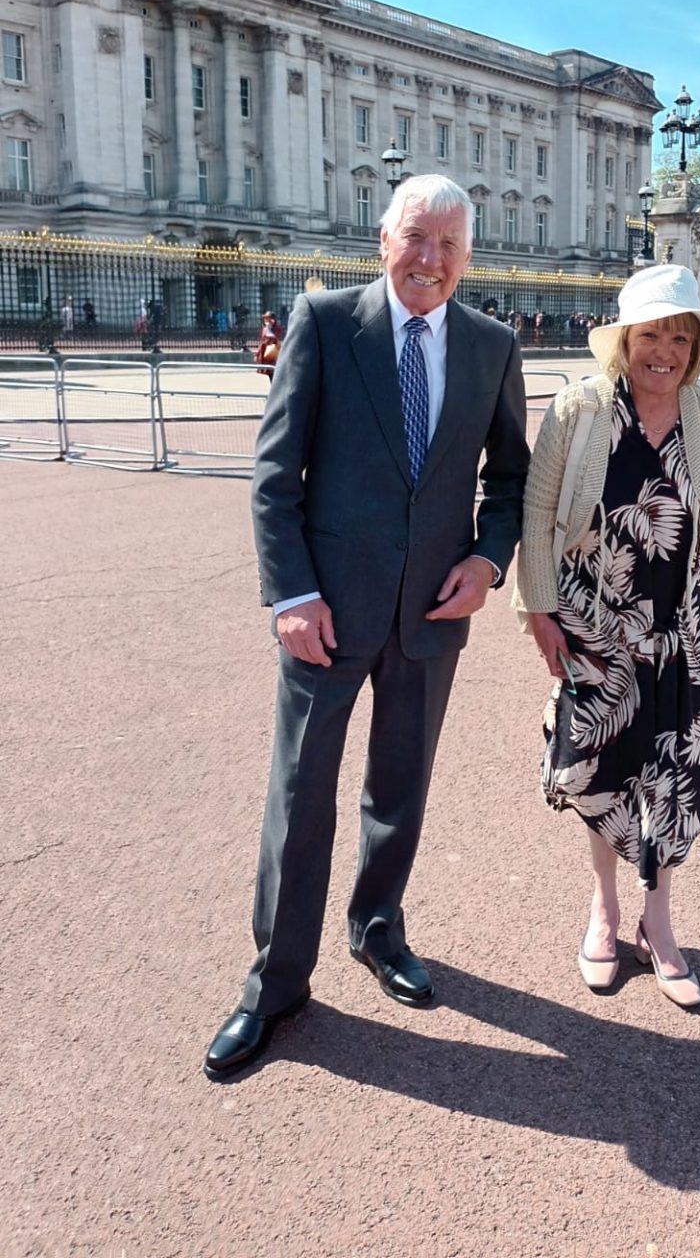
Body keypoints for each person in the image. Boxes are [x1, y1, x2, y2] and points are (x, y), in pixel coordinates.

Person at [203, 175, 530, 1081]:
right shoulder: (322, 320)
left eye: (449, 246)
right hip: (327, 613)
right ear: (382, 237)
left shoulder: (493, 345)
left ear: (469, 256)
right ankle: (275, 984)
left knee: (401, 786)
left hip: (430, 614)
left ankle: (378, 928)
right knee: (301, 795)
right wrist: (291, 595)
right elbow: (276, 479)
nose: (430, 260)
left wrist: (488, 559)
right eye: (416, 238)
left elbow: (510, 479)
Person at [514, 265, 700, 1010]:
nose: (664, 351)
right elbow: (539, 514)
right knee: (599, 771)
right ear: (625, 341)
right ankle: (605, 910)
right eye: (651, 335)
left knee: (670, 774)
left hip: (675, 628)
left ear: (696, 347)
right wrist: (538, 608)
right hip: (592, 626)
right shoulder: (580, 409)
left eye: (680, 337)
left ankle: (660, 922)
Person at [254, 310, 284, 383]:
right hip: (265, 351)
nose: (266, 320)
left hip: (274, 351)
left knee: (274, 372)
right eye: (265, 318)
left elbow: (277, 338)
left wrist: (270, 329)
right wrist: (257, 354)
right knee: (269, 372)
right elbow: (262, 341)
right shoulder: (265, 328)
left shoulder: (277, 328)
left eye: (268, 318)